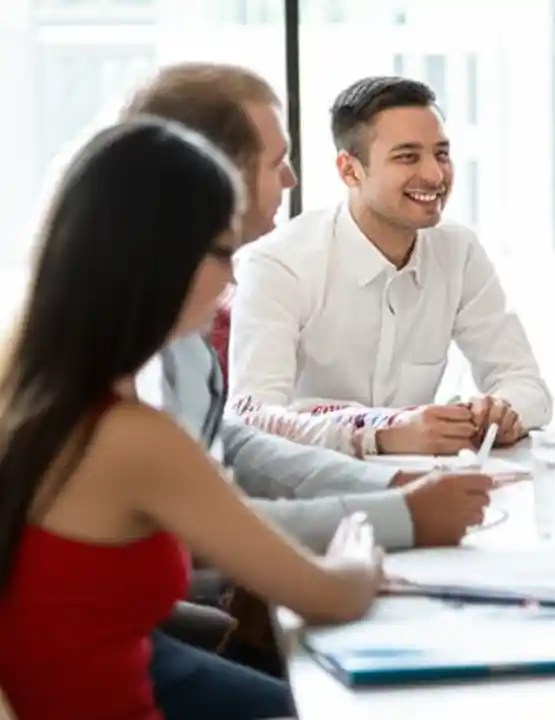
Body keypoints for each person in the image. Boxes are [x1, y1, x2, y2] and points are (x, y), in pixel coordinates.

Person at [0, 119, 382, 720]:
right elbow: (330, 592)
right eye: (223, 252)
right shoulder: (132, 439)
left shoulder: (32, 400)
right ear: (162, 257)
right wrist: (362, 546)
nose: (232, 281)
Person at [123, 63, 494, 556]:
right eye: (276, 162)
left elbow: (229, 443)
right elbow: (204, 514)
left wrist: (383, 484)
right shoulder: (132, 346)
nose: (292, 179)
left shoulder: (179, 320)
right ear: (214, 173)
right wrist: (396, 506)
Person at [228, 76, 552, 457]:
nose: (434, 175)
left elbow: (527, 385)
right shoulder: (278, 263)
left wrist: (498, 412)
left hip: (430, 487)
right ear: (350, 171)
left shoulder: (458, 251)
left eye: (442, 154)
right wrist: (382, 430)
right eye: (407, 157)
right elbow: (252, 416)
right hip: (310, 489)